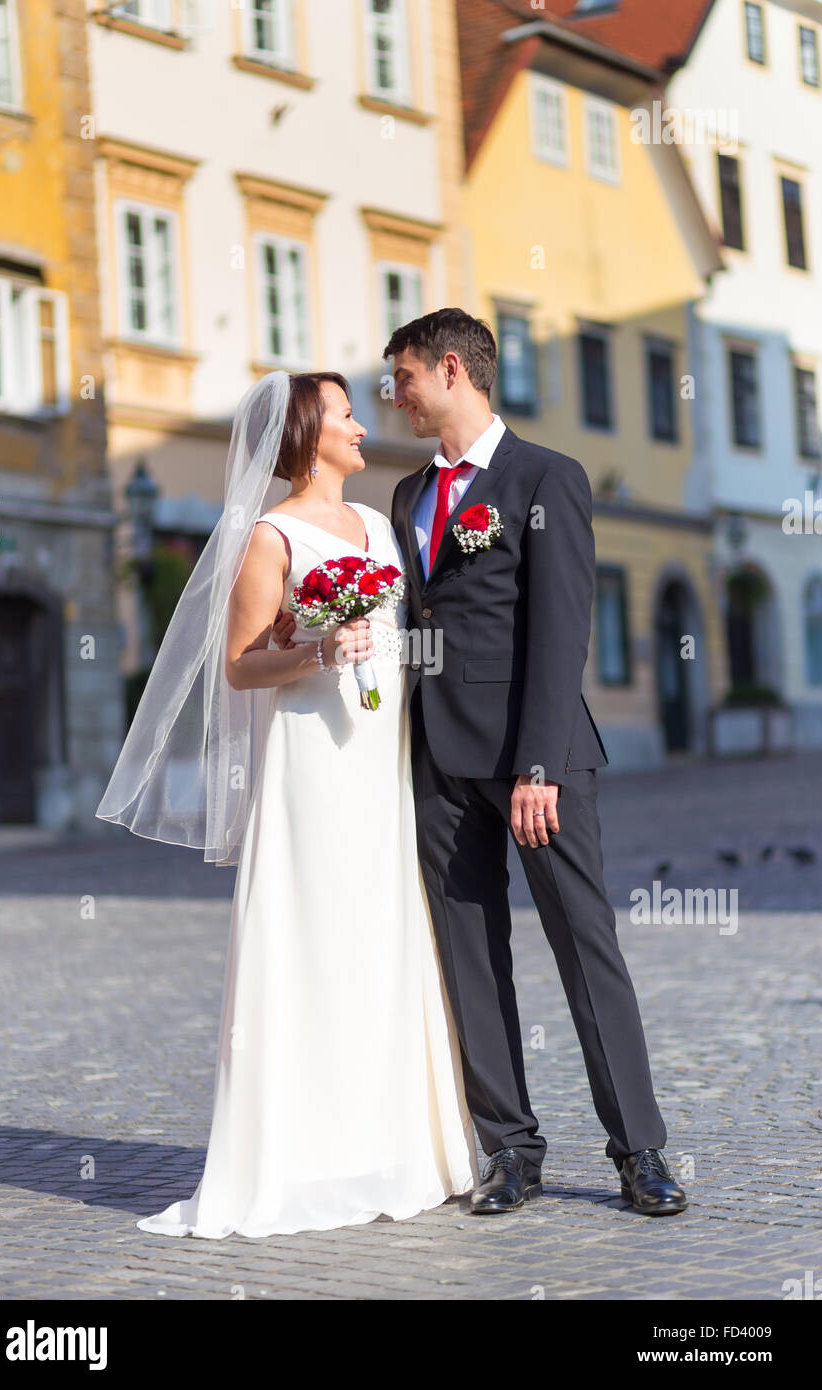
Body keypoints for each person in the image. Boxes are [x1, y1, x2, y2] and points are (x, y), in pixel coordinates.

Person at [97, 369, 478, 1239]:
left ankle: (396, 1144)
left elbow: (398, 633)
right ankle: (300, 1157)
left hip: (379, 756)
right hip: (309, 757)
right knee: (311, 932)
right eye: (345, 413)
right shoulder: (269, 537)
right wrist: (315, 649)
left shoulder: (380, 524)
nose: (360, 423)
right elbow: (239, 664)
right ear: (309, 435)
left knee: (382, 931)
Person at [376, 307, 688, 1217]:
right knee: (470, 957)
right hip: (437, 759)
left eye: (401, 378)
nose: (392, 395)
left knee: (586, 951)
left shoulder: (548, 476)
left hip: (535, 760)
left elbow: (561, 634)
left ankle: (640, 1153)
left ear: (449, 371)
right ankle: (511, 1148)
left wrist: (539, 766)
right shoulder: (407, 498)